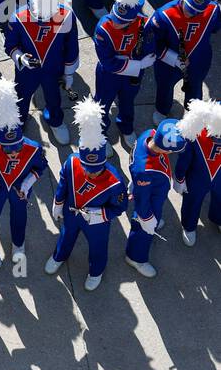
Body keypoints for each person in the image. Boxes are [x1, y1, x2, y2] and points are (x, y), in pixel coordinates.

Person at [45, 97, 129, 291]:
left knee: (98, 246)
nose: (90, 172)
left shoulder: (114, 181)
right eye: (87, 167)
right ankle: (59, 256)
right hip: (71, 211)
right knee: (66, 235)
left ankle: (96, 271)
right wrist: (58, 202)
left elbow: (121, 206)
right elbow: (64, 182)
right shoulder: (72, 162)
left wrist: (101, 215)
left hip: (97, 221)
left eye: (96, 168)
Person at [125, 102, 208, 276]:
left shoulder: (149, 135)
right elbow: (141, 200)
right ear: (165, 149)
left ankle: (153, 220)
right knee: (142, 229)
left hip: (154, 189)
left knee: (155, 214)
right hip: (148, 196)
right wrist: (146, 218)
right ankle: (135, 257)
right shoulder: (144, 171)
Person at [0, 77, 47, 270]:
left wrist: (27, 184)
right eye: (9, 149)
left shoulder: (33, 149)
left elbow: (40, 167)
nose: (14, 152)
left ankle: (18, 243)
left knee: (20, 215)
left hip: (20, 189)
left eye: (17, 147)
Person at [4, 0, 79, 144]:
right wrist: (21, 59)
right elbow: (10, 46)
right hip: (26, 72)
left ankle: (55, 121)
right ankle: (18, 121)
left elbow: (72, 47)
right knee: (21, 96)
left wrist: (69, 73)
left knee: (54, 97)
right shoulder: (17, 17)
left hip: (54, 68)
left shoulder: (66, 16)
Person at [93, 0, 158, 143]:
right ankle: (100, 135)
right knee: (102, 104)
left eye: (121, 20)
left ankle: (126, 127)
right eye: (115, 17)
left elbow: (150, 49)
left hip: (133, 73)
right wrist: (137, 64)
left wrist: (145, 54)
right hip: (109, 73)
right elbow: (108, 62)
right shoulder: (103, 29)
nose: (115, 22)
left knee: (128, 102)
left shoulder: (143, 24)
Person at [150, 0, 221, 121]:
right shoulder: (163, 15)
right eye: (188, 7)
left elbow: (216, 27)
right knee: (164, 87)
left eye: (195, 11)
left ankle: (193, 115)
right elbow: (151, 42)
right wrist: (173, 58)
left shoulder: (213, 11)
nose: (190, 13)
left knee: (195, 88)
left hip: (199, 59)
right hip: (169, 62)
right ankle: (162, 110)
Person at [172, 98, 221, 246]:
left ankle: (218, 218)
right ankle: (188, 226)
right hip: (197, 177)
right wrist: (179, 178)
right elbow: (184, 160)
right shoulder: (197, 135)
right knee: (192, 201)